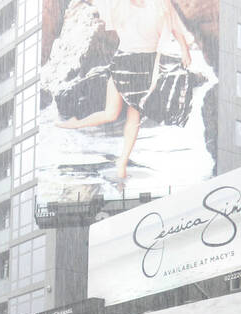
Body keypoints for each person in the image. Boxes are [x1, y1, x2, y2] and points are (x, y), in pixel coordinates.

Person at [56, 0, 194, 181]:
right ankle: (76, 123)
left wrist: (185, 50)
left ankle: (122, 160)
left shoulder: (161, 4)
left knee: (134, 116)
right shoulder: (119, 4)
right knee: (111, 113)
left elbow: (175, 26)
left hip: (146, 63)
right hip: (124, 60)